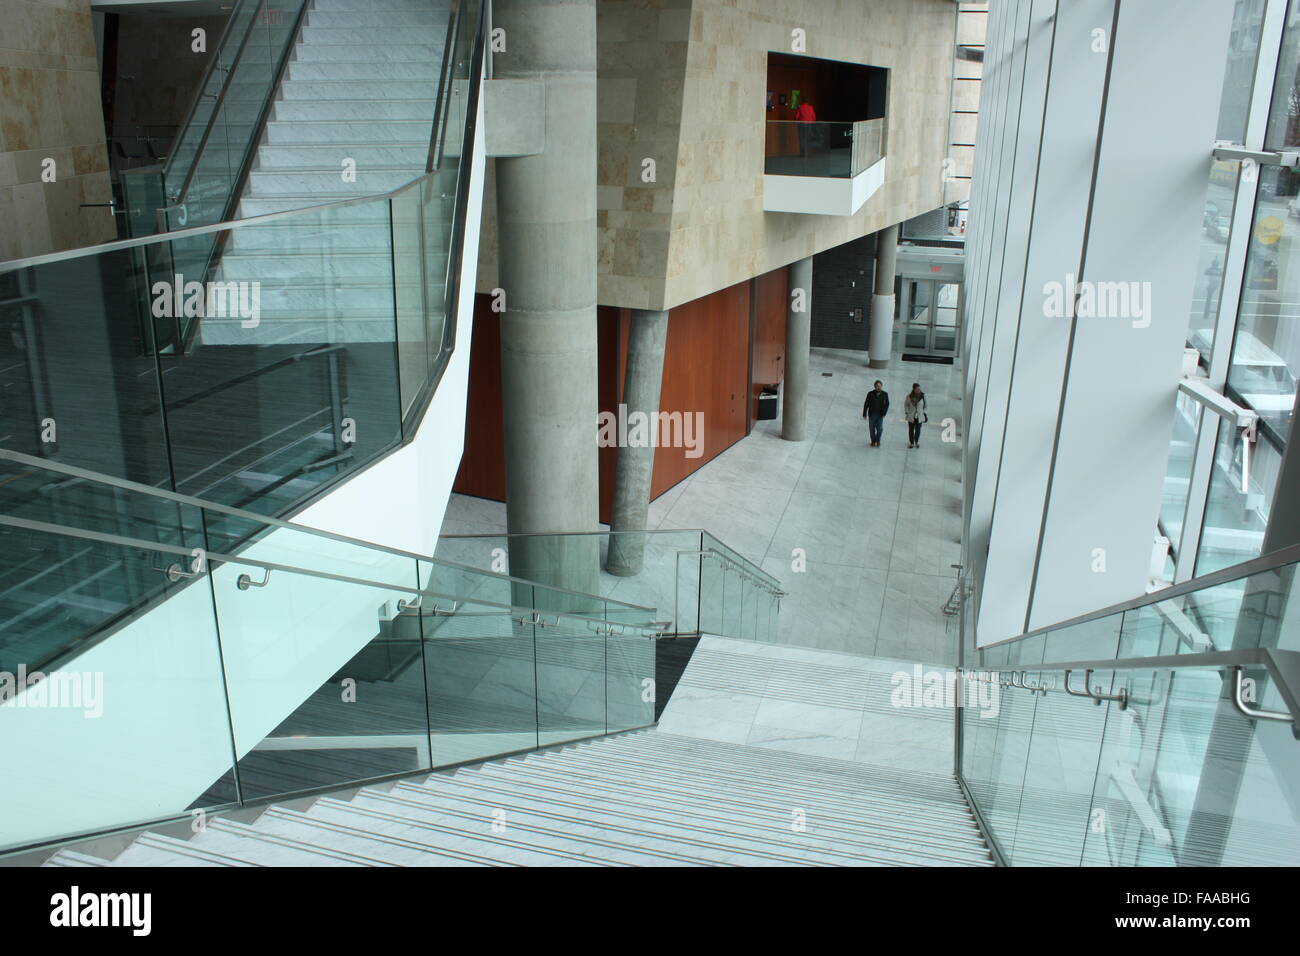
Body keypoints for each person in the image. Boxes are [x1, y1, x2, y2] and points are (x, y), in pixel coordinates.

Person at [862, 380, 889, 447]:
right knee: (872, 429)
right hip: (872, 414)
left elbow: (887, 404)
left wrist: (884, 413)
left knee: (880, 429)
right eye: (877, 386)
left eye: (880, 386)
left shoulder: (885, 394)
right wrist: (864, 413)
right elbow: (866, 404)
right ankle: (873, 441)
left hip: (880, 415)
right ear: (875, 387)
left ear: (881, 386)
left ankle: (878, 440)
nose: (878, 387)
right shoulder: (870, 394)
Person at [903, 383, 928, 448]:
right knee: (911, 430)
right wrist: (907, 411)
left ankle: (916, 441)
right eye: (917, 389)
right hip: (911, 415)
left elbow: (926, 406)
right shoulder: (909, 396)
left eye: (919, 389)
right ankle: (911, 442)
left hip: (919, 416)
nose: (918, 390)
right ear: (913, 389)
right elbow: (906, 404)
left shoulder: (923, 396)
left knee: (918, 430)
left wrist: (924, 413)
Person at [794, 98, 817, 162]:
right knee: (808, 138)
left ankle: (802, 153)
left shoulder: (800, 107)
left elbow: (796, 116)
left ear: (802, 101)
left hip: (801, 124)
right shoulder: (811, 107)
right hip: (809, 124)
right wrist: (811, 121)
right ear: (807, 102)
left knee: (802, 138)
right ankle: (808, 153)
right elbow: (814, 117)